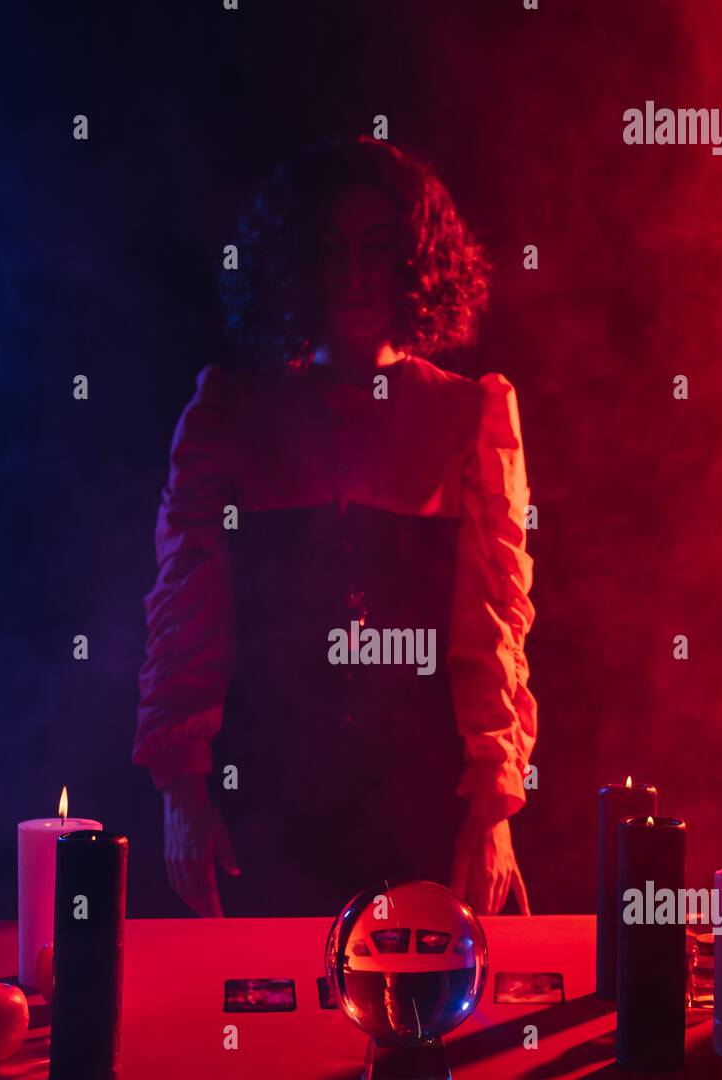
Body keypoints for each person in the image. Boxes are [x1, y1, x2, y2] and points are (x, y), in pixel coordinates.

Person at [132, 137, 537, 918]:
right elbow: (185, 613)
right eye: (332, 247)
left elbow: (493, 627)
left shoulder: (470, 414)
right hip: (265, 806)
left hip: (424, 804)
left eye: (377, 247)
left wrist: (493, 809)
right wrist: (183, 791)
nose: (354, 273)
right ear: (298, 261)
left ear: (415, 262)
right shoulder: (230, 413)